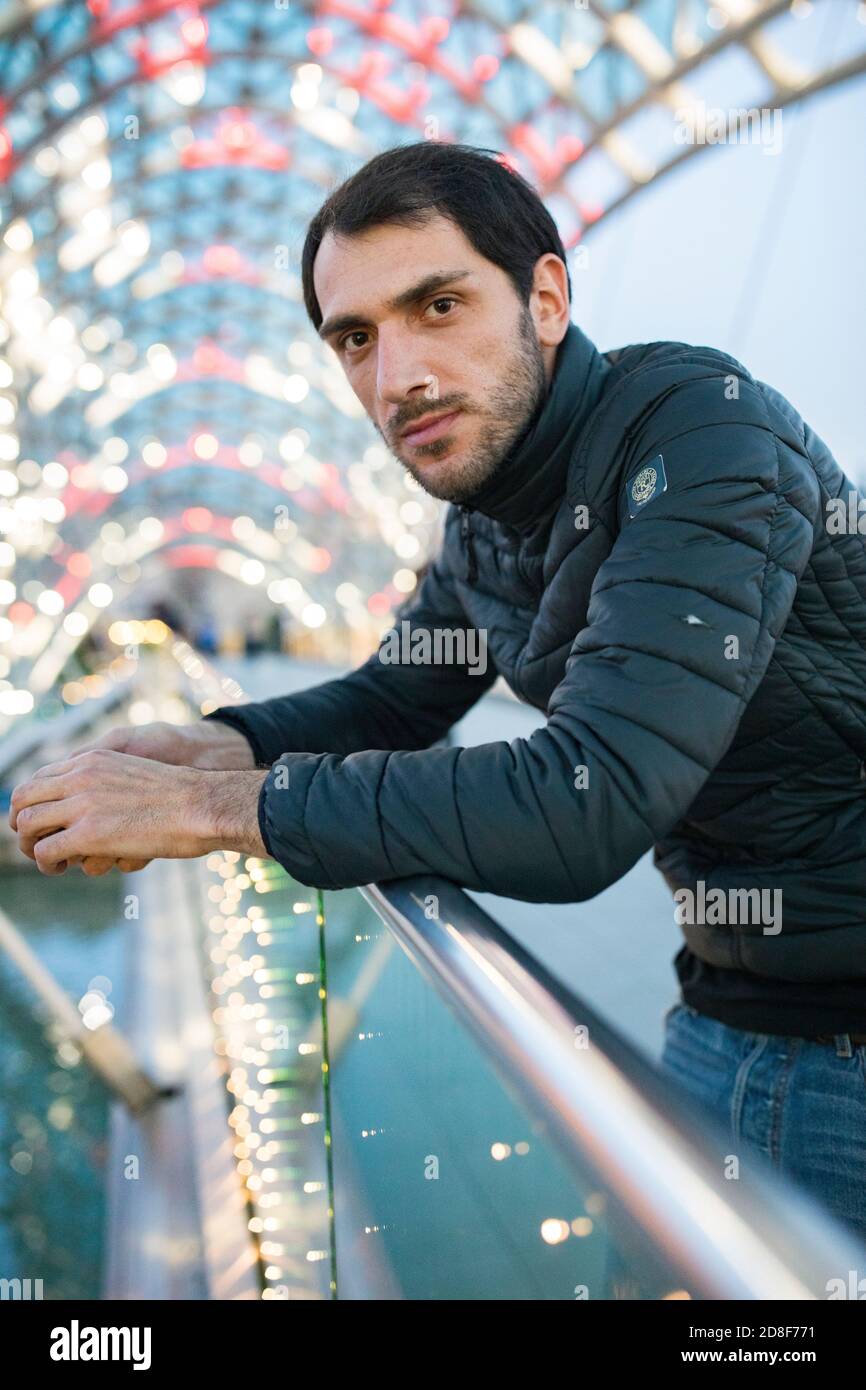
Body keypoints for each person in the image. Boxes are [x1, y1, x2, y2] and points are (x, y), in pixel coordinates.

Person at [10, 142, 866, 1242]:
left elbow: (585, 802)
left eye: (438, 305)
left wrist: (218, 810)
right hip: (721, 1011)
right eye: (355, 338)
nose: (396, 376)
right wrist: (215, 743)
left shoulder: (703, 434)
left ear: (545, 298)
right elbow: (390, 702)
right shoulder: (486, 521)